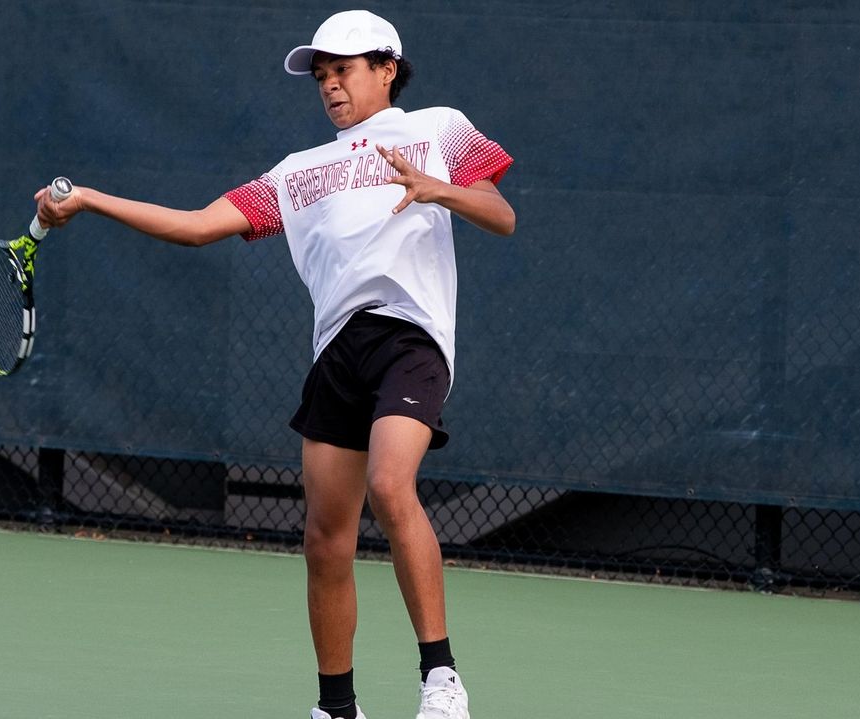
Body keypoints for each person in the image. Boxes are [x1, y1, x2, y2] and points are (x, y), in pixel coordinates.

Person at [35, 10, 514, 719]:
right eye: (321, 77)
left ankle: (441, 680)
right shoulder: (298, 173)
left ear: (387, 67)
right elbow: (199, 226)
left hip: (410, 338)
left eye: (343, 71)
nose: (330, 87)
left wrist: (439, 189)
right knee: (325, 537)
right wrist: (92, 201)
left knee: (390, 481)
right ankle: (335, 706)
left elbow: (500, 214)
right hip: (338, 353)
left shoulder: (439, 129)